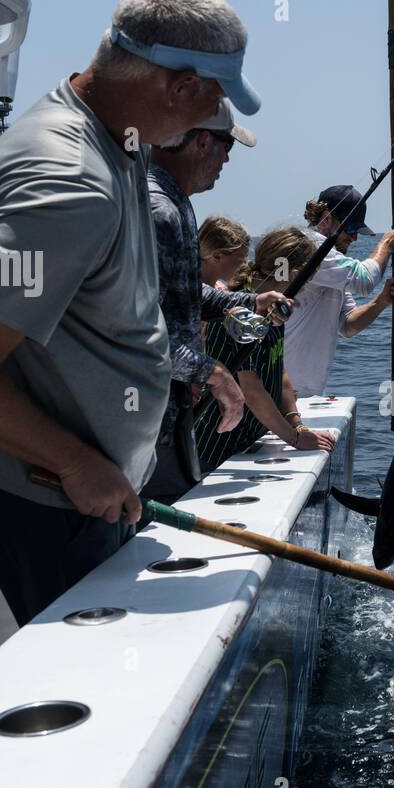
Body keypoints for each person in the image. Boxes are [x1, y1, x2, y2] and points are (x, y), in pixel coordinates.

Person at [0, 0, 259, 626]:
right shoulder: (72, 180)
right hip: (53, 504)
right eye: (211, 102)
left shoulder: (113, 148)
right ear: (178, 87)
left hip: (85, 500)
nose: (209, 122)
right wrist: (77, 462)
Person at [146, 100, 289, 502]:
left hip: (167, 417)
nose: (227, 158)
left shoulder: (174, 203)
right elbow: (137, 330)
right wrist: (214, 374)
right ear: (203, 141)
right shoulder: (159, 211)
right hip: (145, 425)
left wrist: (249, 301)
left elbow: (184, 294)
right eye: (227, 145)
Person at [196, 228, 335, 471]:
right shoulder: (242, 313)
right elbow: (251, 390)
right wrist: (294, 440)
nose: (308, 284)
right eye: (309, 276)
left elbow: (279, 374)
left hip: (248, 442)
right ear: (291, 272)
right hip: (216, 449)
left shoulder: (275, 307)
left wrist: (297, 425)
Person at [282, 184, 394, 396]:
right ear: (326, 218)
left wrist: (382, 301)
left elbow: (348, 325)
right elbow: (364, 279)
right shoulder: (311, 248)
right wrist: (386, 244)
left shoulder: (332, 266)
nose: (354, 238)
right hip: (281, 389)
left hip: (304, 393)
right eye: (350, 229)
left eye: (357, 231)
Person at [198, 215, 251, 290]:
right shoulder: (188, 292)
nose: (245, 266)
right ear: (217, 256)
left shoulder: (221, 290)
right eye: (240, 261)